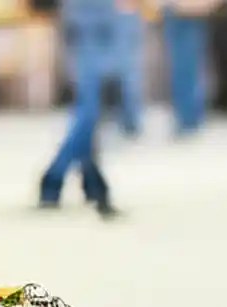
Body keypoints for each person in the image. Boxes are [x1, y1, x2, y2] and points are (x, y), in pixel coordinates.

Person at [39, 0, 143, 216]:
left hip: (88, 14)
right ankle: (55, 177)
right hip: (102, 16)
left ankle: (92, 181)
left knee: (92, 105)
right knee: (91, 109)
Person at [161, 0, 222, 135]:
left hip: (190, 13)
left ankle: (190, 118)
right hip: (181, 13)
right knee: (185, 69)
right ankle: (188, 119)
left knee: (189, 68)